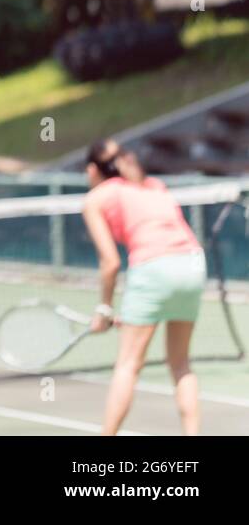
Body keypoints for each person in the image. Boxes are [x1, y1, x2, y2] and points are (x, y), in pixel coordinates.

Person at [82, 138, 206, 435]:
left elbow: (110, 263)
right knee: (180, 363)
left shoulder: (95, 199)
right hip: (192, 264)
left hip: (154, 268)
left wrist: (104, 309)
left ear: (91, 171)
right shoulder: (153, 185)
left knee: (127, 366)